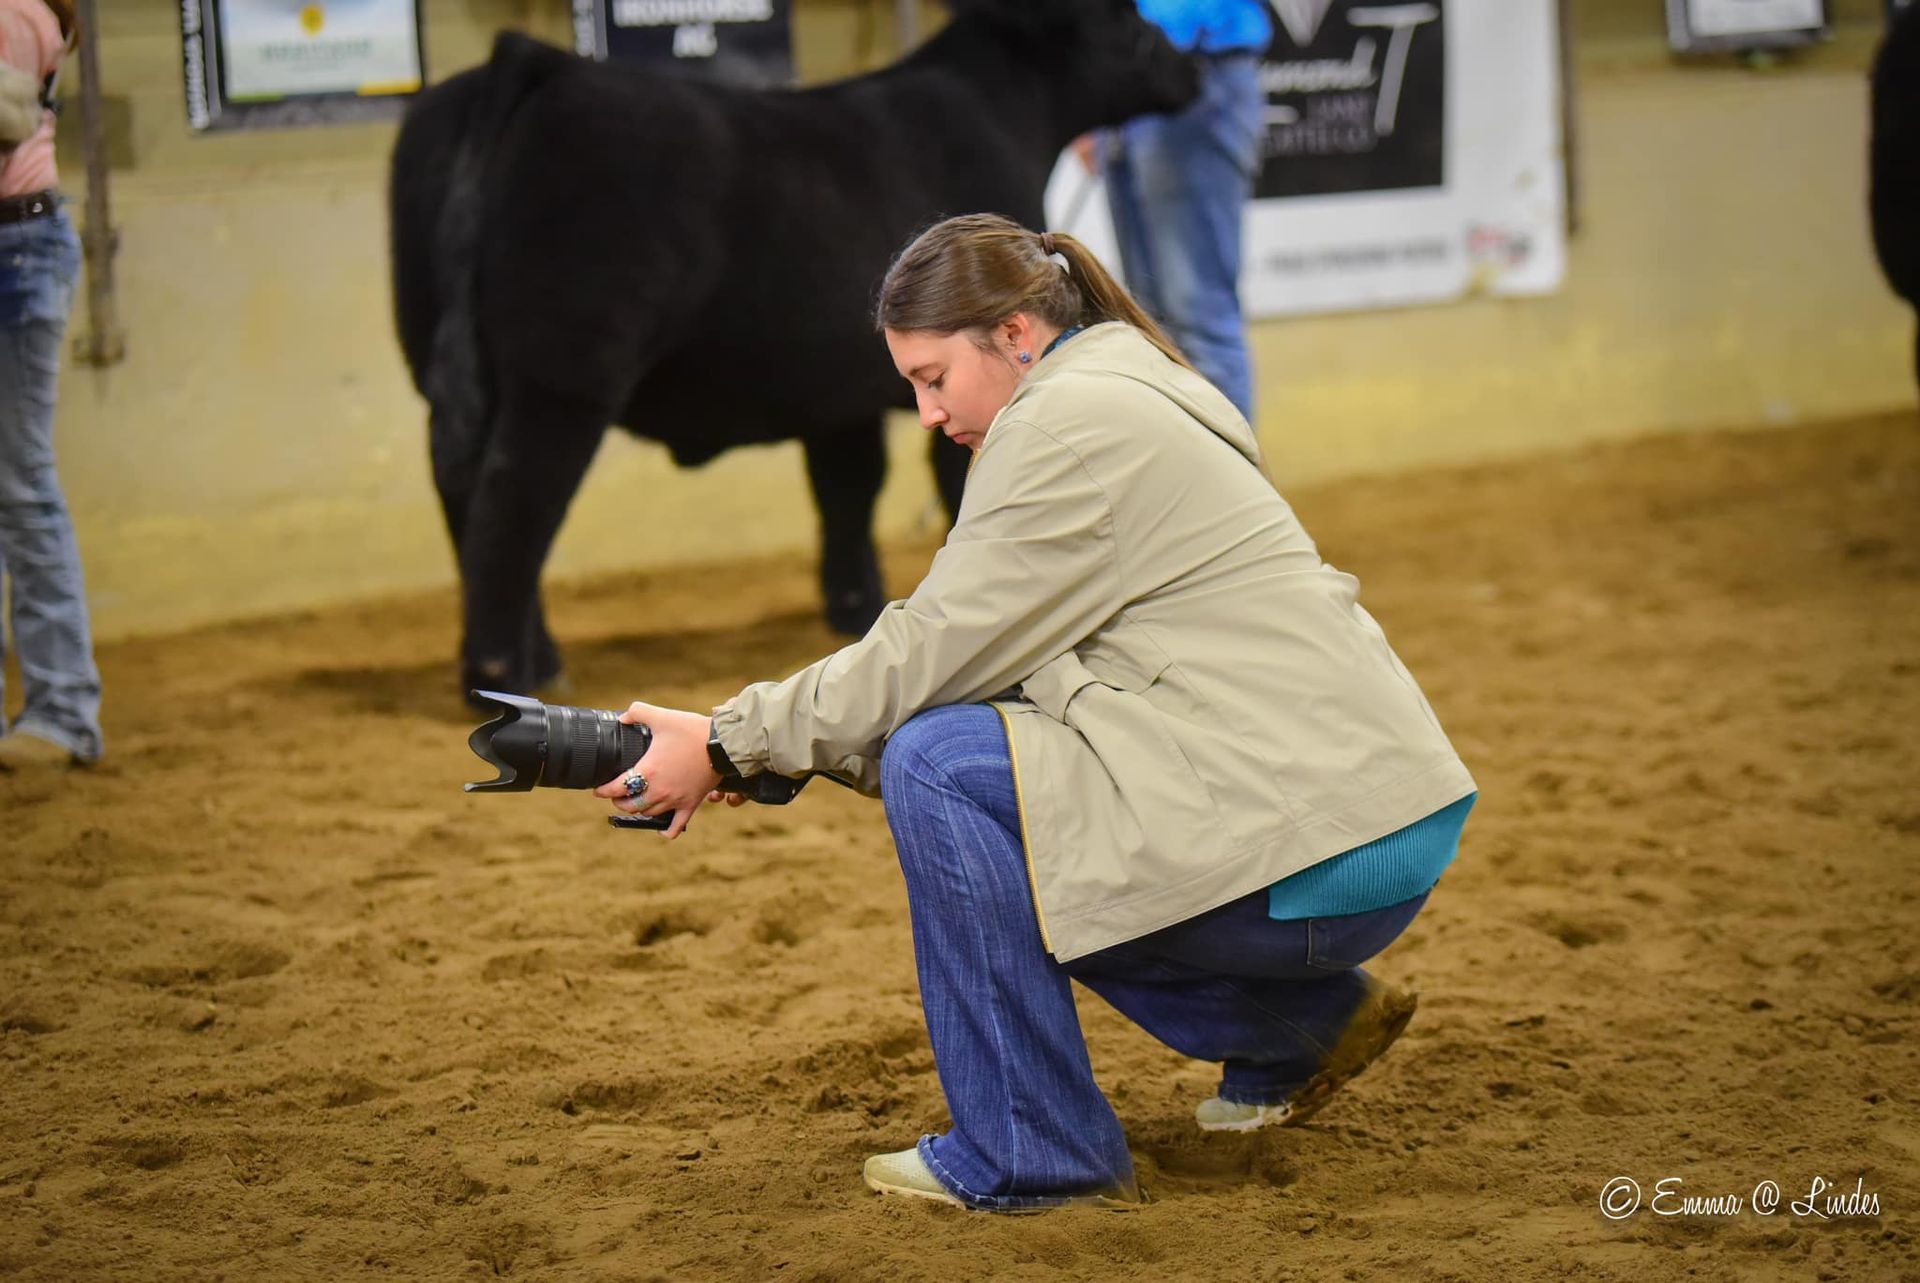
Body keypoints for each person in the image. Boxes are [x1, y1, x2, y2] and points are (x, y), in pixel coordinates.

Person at [594, 214, 1475, 1211]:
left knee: (942, 766)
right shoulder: (1130, 381)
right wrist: (763, 757)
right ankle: (1299, 1028)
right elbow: (984, 664)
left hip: (1312, 851)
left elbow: (929, 650)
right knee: (1013, 796)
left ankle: (1034, 1150)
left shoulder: (1062, 426)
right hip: (1368, 824)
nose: (926, 413)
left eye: (933, 378)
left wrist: (725, 740)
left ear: (1016, 334)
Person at [1083, 0, 1272, 422]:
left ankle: (1227, 480)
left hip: (1194, 72)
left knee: (1196, 308)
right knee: (1148, 314)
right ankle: (1182, 474)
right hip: (1131, 80)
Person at [0, 0, 98, 773]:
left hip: (16, 253)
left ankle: (64, 710)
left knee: (22, 482)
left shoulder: (14, 12)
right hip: (20, 251)